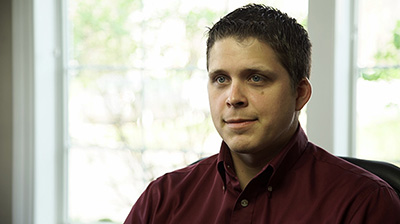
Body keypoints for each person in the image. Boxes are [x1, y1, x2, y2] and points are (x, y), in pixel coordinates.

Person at [124, 4, 400, 223]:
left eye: (256, 78)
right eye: (221, 79)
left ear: (300, 93)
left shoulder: (365, 203)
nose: (233, 98)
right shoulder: (163, 199)